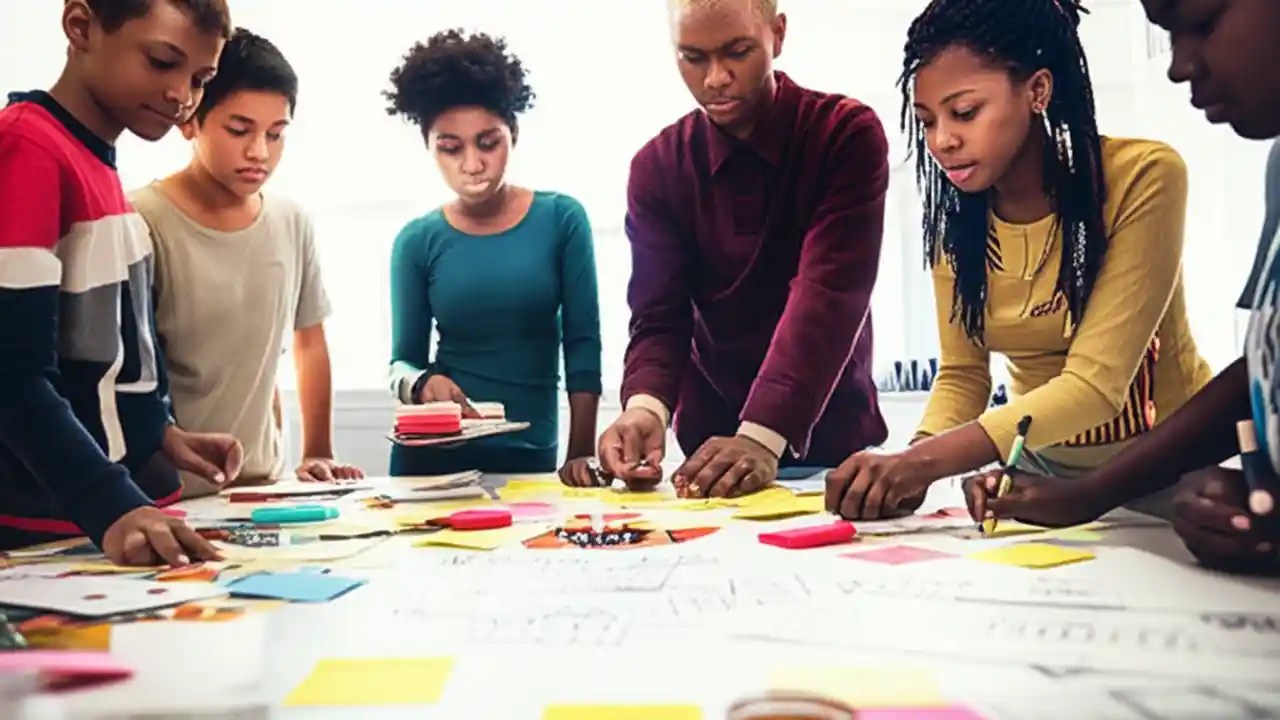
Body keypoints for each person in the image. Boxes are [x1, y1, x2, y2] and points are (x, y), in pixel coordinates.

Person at [826, 0, 1215, 520]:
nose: (943, 141)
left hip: (1171, 472)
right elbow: (963, 376)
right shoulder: (957, 225)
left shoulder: (1143, 177)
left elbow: (1094, 388)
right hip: (1036, 475)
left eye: (964, 113)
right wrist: (907, 465)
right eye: (927, 121)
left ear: (1037, 90)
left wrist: (923, 462)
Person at [967, 0, 1280, 575]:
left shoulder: (1142, 175)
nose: (1178, 66)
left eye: (1203, 25)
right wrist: (1260, 488)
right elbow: (1260, 377)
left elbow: (1096, 382)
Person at [598, 0, 890, 498]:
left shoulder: (844, 134)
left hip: (832, 453)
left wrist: (761, 434)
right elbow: (659, 315)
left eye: (737, 52)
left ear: (777, 35)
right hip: (708, 456)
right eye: (692, 57)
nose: (715, 79)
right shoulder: (657, 167)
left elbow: (828, 294)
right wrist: (644, 408)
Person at [0, 0, 241, 566]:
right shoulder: (28, 149)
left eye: (200, 79)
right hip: (48, 524)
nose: (182, 94)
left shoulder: (98, 163)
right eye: (162, 62)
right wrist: (107, 503)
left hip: (119, 514)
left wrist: (156, 430)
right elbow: (10, 372)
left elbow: (101, 348)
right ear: (81, 27)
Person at [130, 28, 363, 496]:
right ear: (190, 120)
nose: (260, 152)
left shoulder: (291, 221)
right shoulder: (140, 219)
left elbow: (309, 340)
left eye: (276, 134)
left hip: (260, 487)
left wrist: (318, 451)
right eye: (239, 130)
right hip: (162, 495)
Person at [384, 30, 602, 483]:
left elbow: (583, 346)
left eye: (488, 143)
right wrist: (422, 383)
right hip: (431, 467)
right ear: (429, 146)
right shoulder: (415, 241)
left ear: (513, 135)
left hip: (530, 461)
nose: (472, 163)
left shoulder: (562, 219)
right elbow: (401, 364)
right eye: (450, 147)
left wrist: (580, 454)